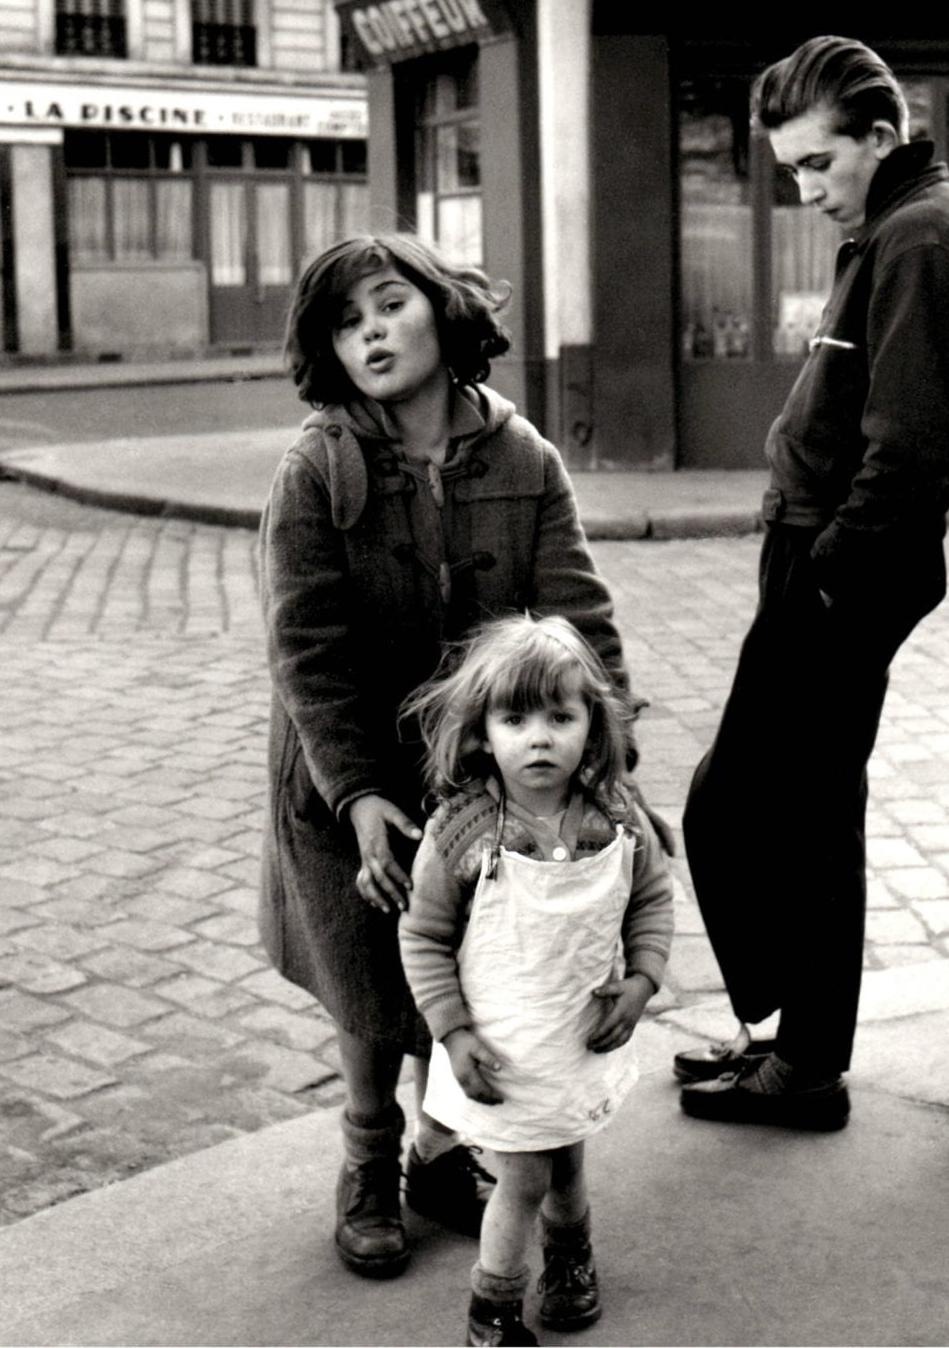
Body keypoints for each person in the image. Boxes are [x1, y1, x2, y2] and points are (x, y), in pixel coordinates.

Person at [258, 233, 637, 1281]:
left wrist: (611, 760)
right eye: (347, 322)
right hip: (343, 772)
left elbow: (582, 623)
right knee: (367, 971)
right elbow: (304, 649)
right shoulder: (316, 467)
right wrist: (356, 794)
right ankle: (368, 1158)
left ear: (442, 309)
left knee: (470, 960)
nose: (372, 333)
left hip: (479, 773)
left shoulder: (525, 459)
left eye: (390, 305)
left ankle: (438, 1151)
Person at [676, 36, 949, 1128]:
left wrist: (825, 578)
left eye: (818, 163)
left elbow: (912, 449)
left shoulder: (922, 237)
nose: (805, 190)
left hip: (841, 565)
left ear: (881, 136)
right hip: (820, 555)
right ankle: (795, 1038)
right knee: (791, 804)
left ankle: (804, 1061)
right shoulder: (889, 229)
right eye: (791, 170)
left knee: (748, 807)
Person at [399, 614, 673, 1347]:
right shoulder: (462, 832)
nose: (540, 738)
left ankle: (570, 1260)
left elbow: (651, 898)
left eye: (560, 717)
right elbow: (423, 936)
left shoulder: (616, 817)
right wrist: (452, 1032)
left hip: (578, 1037)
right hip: (502, 1049)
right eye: (516, 720)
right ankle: (490, 1313)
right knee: (522, 1179)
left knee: (570, 1157)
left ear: (593, 724)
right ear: (482, 733)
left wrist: (643, 980)